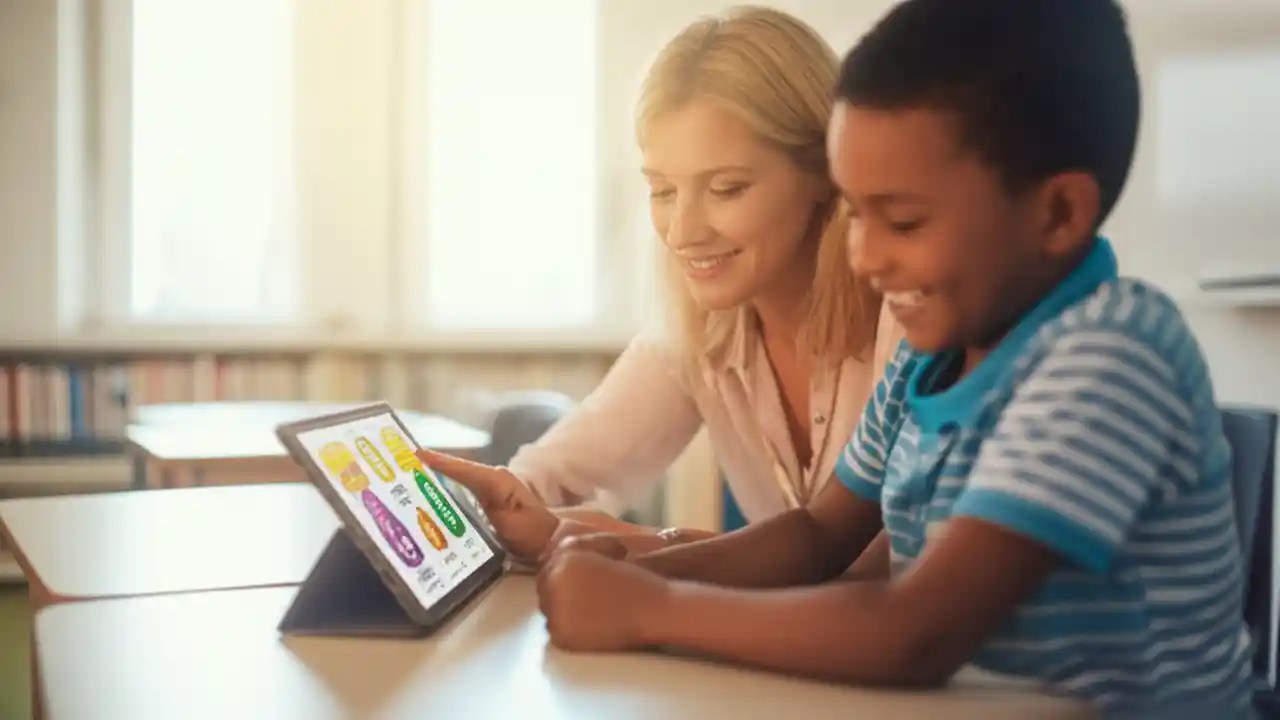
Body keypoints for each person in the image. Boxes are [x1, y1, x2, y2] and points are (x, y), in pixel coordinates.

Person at [515, 0, 1256, 716]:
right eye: (857, 215)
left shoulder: (1110, 354)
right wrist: (637, 568)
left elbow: (917, 631)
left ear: (1057, 214)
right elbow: (817, 542)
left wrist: (653, 608)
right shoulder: (928, 361)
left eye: (901, 220)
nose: (863, 258)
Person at [422, 6, 900, 564]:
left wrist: (640, 547)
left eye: (726, 188)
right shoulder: (696, 332)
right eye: (664, 191)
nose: (683, 232)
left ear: (825, 170)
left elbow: (878, 583)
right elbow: (548, 480)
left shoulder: (908, 320)